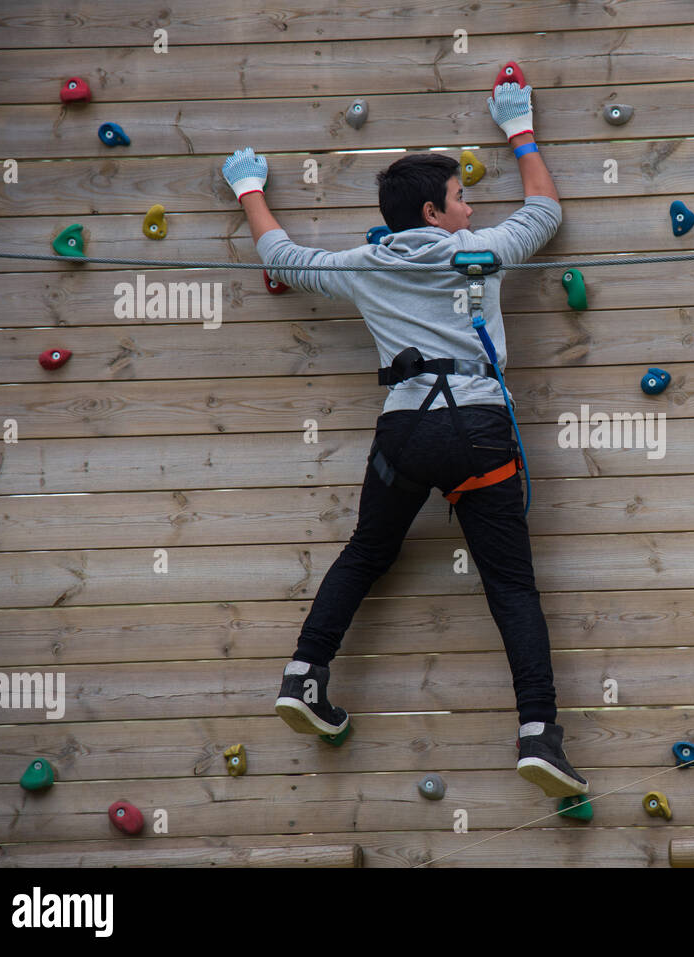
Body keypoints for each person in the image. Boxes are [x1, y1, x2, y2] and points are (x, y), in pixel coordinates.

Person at [219, 72, 588, 798]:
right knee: (510, 584)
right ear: (434, 210)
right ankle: (539, 732)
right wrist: (518, 127)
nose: (471, 204)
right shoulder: (482, 251)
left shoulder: (367, 265)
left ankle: (304, 674)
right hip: (477, 430)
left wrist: (248, 188)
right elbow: (545, 208)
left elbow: (283, 259)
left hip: (406, 432)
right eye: (461, 196)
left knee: (367, 551)